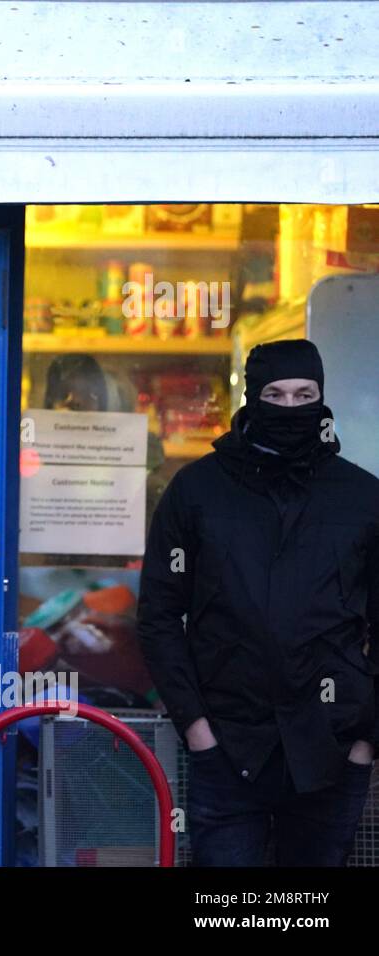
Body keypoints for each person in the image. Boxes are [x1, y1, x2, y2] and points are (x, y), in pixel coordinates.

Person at [138, 338, 379, 866]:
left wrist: (366, 743)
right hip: (227, 747)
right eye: (275, 394)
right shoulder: (197, 491)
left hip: (331, 750)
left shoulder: (362, 498)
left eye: (303, 394)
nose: (290, 407)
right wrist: (197, 731)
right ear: (251, 398)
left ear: (321, 396)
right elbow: (158, 615)